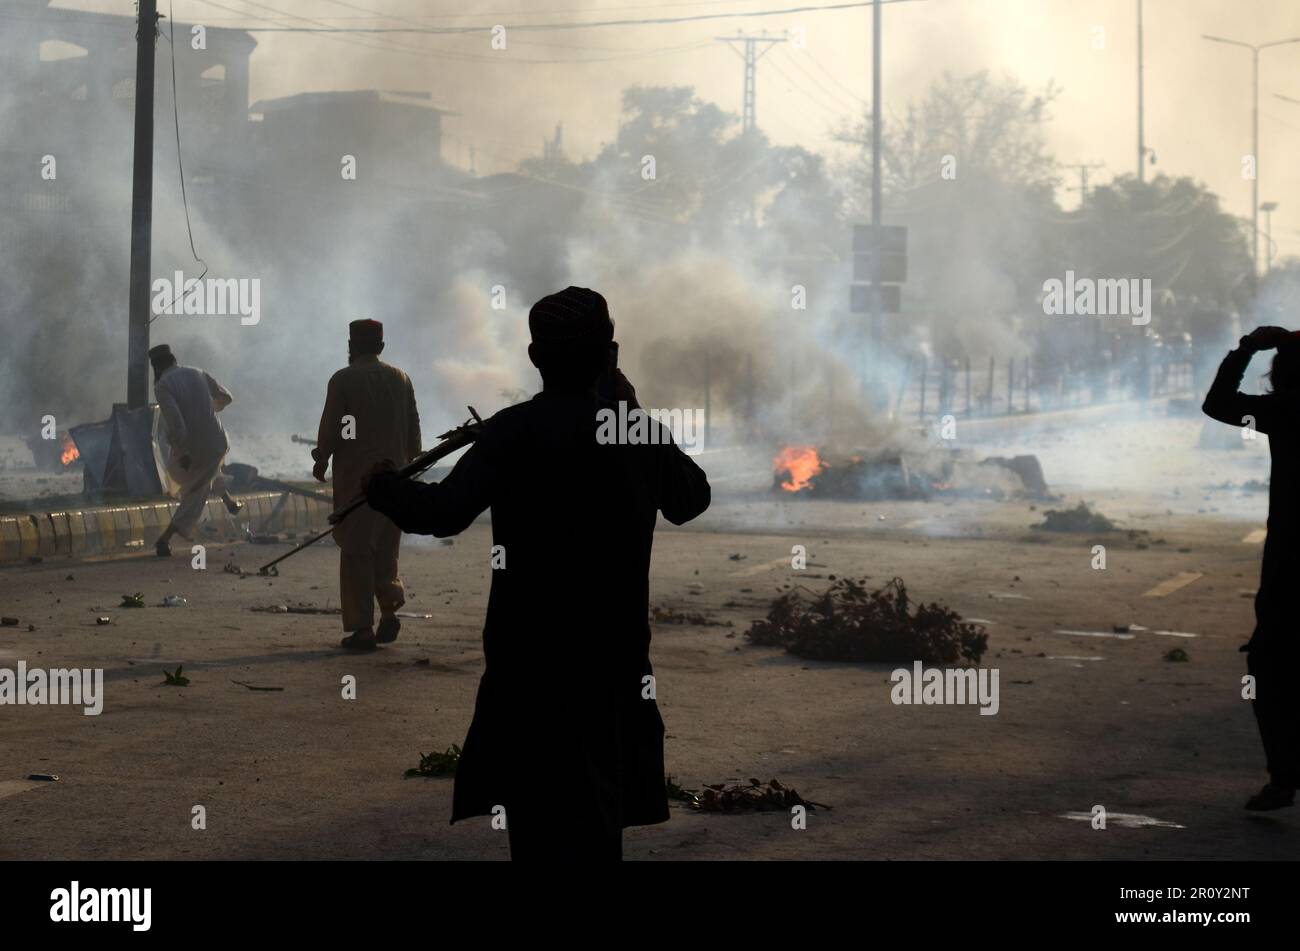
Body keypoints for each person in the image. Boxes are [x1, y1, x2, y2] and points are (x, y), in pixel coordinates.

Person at [364, 286, 711, 861]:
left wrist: (383, 487)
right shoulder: (632, 432)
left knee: (535, 813)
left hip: (528, 657)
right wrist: (628, 409)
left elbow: (442, 511)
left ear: (535, 357)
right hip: (613, 656)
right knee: (601, 813)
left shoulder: (513, 431)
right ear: (609, 355)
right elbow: (691, 498)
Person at [1203, 325, 1300, 810]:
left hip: (1291, 566)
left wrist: (1245, 348)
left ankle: (1284, 775)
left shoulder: (1284, 411)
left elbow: (1218, 404)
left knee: (1269, 664)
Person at [312, 319, 422, 651]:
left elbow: (334, 426)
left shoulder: (344, 379)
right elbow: (413, 431)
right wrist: (410, 463)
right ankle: (389, 608)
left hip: (356, 482)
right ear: (381, 347)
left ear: (351, 346)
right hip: (394, 478)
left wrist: (322, 457)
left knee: (358, 551)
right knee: (386, 548)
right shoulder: (401, 379)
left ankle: (361, 629)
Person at [151, 344, 241, 557]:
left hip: (193, 448)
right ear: (174, 360)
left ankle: (164, 539)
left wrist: (182, 454)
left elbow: (177, 425)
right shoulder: (197, 372)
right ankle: (228, 501)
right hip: (218, 441)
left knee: (194, 490)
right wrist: (210, 409)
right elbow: (227, 397)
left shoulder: (162, 386)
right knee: (206, 473)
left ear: (156, 367)